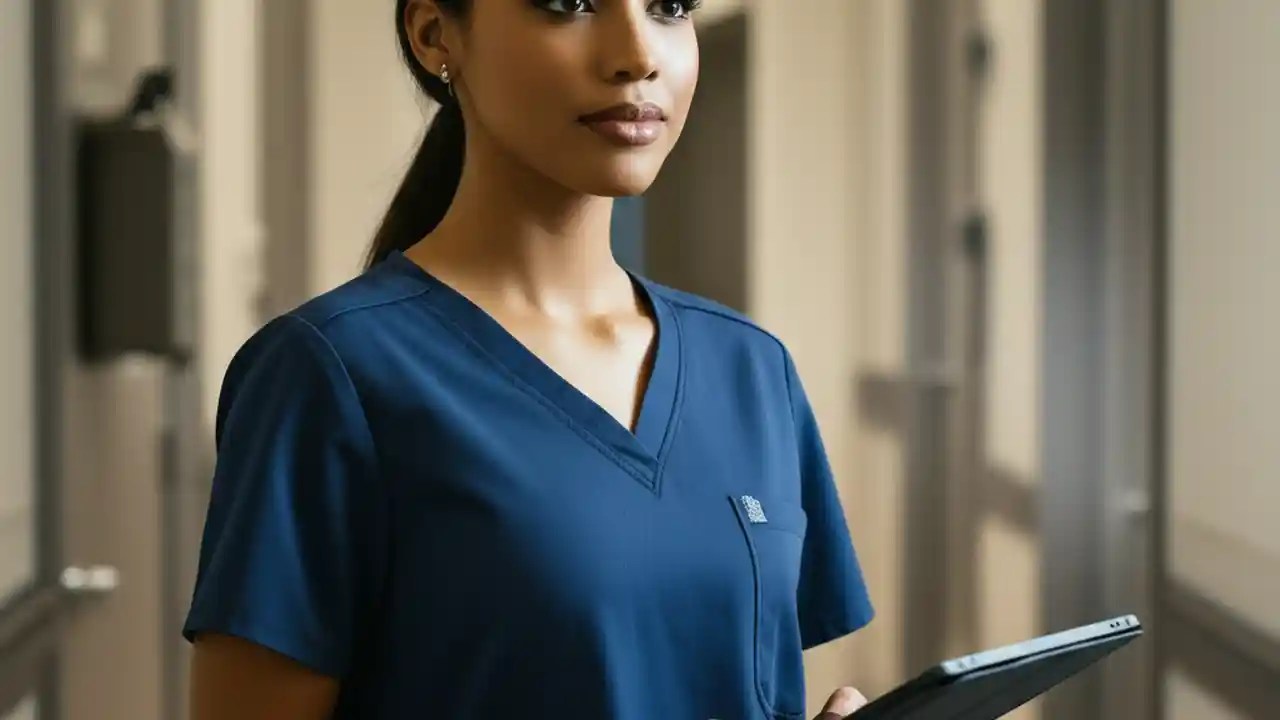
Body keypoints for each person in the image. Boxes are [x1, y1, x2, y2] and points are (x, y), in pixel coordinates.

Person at [183, 0, 873, 718]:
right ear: (434, 35)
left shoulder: (752, 370)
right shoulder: (330, 375)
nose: (638, 54)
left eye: (670, 6)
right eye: (569, 3)